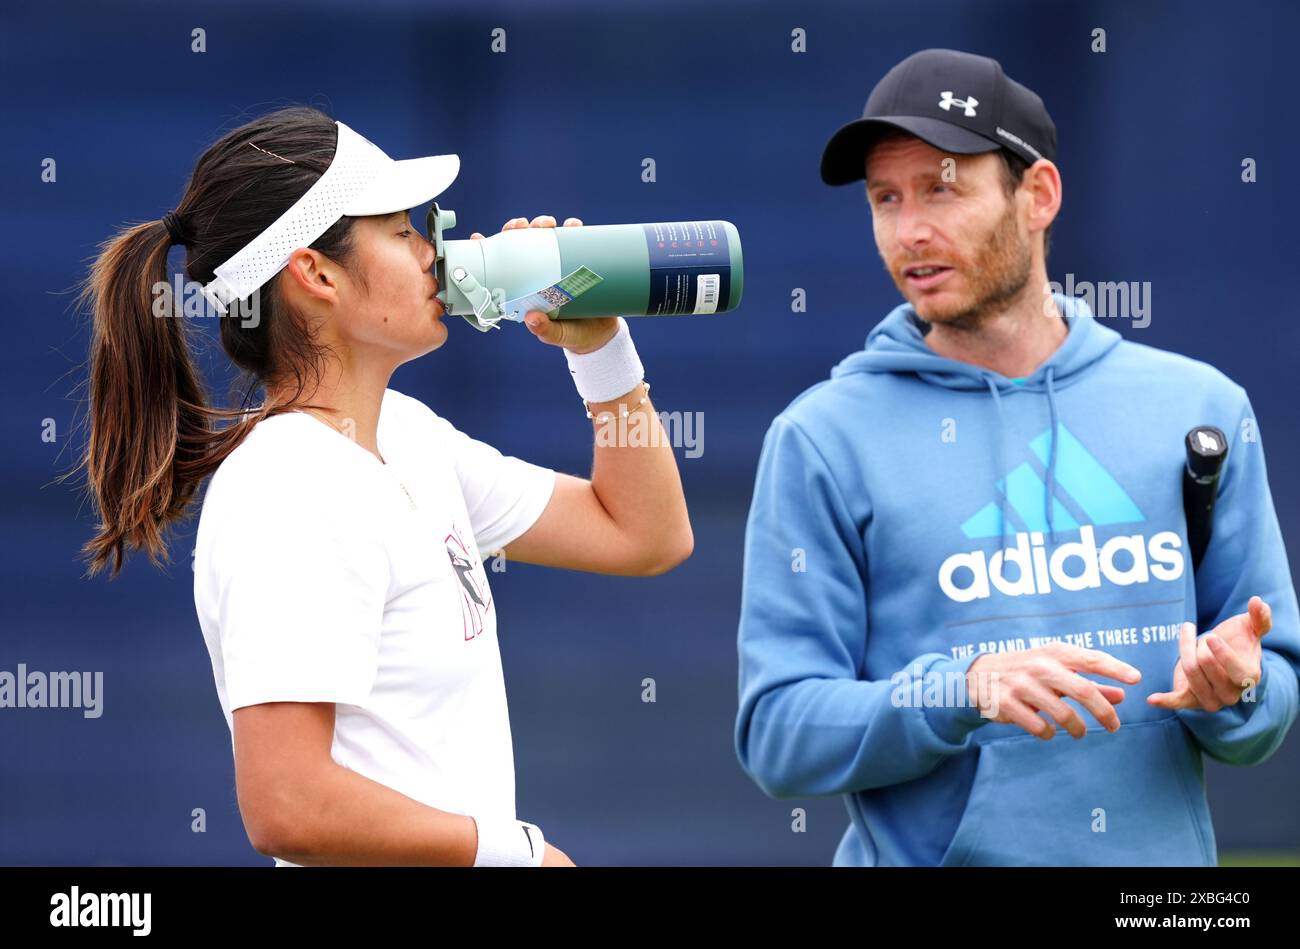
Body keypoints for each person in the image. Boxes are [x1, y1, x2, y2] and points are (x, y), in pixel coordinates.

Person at [76, 105, 693, 866]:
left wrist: (599, 345)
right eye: (403, 231)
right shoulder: (287, 486)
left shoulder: (405, 434)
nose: (433, 250)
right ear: (316, 272)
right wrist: (518, 855)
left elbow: (645, 534)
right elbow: (287, 804)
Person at [734, 49, 1299, 866]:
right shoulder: (821, 438)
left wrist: (1234, 690)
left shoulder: (1198, 408)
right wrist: (957, 692)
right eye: (885, 199)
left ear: (1037, 196)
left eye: (943, 187)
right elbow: (778, 734)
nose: (909, 230)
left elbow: (1267, 700)